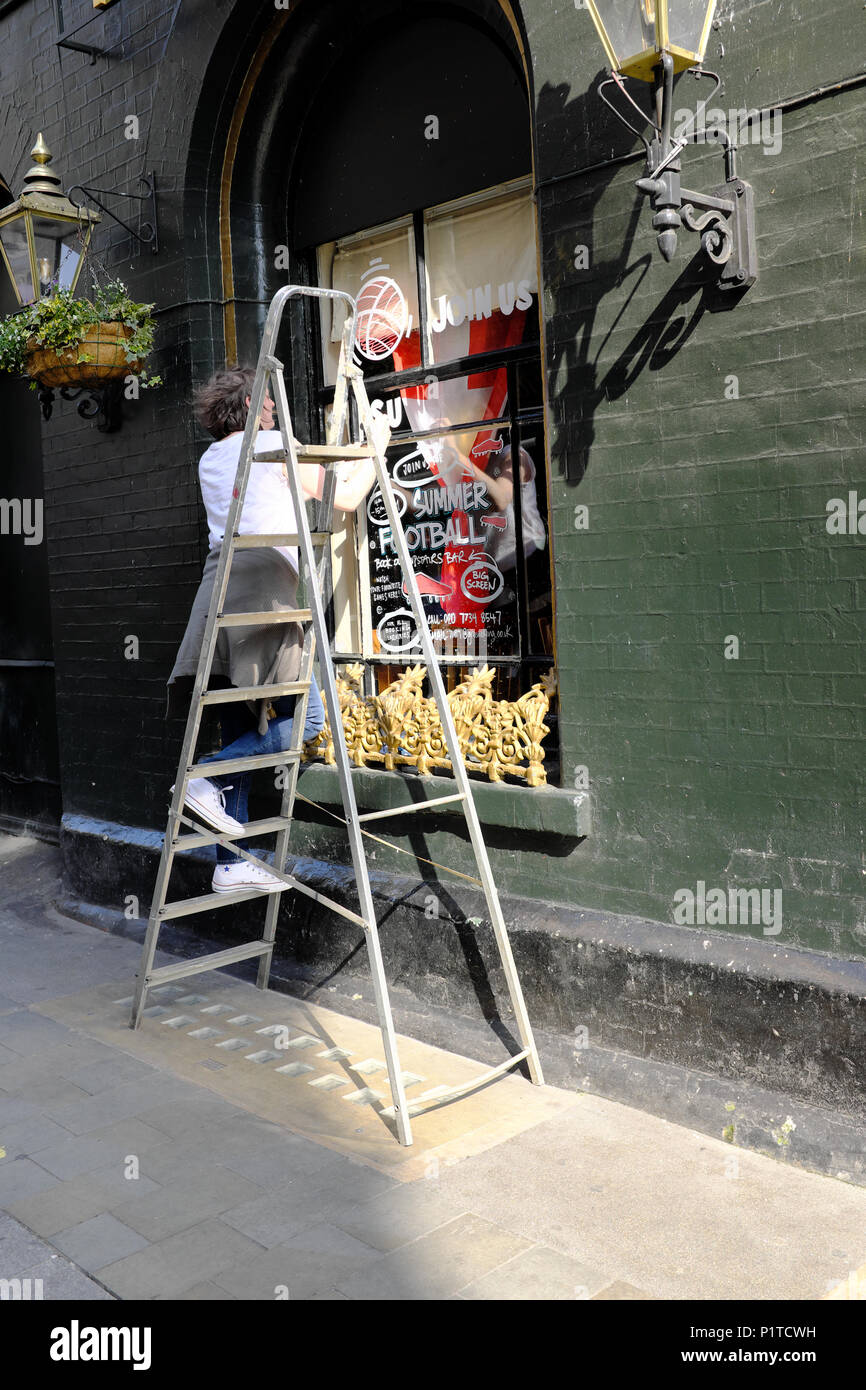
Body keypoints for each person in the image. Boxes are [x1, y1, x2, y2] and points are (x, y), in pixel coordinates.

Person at [166, 366, 385, 893]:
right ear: (248, 407)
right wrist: (376, 447)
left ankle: (229, 863)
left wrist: (341, 449)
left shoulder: (210, 459)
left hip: (218, 595)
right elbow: (347, 498)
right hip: (265, 595)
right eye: (265, 405)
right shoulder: (273, 444)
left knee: (244, 728)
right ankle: (204, 779)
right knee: (310, 717)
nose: (272, 411)